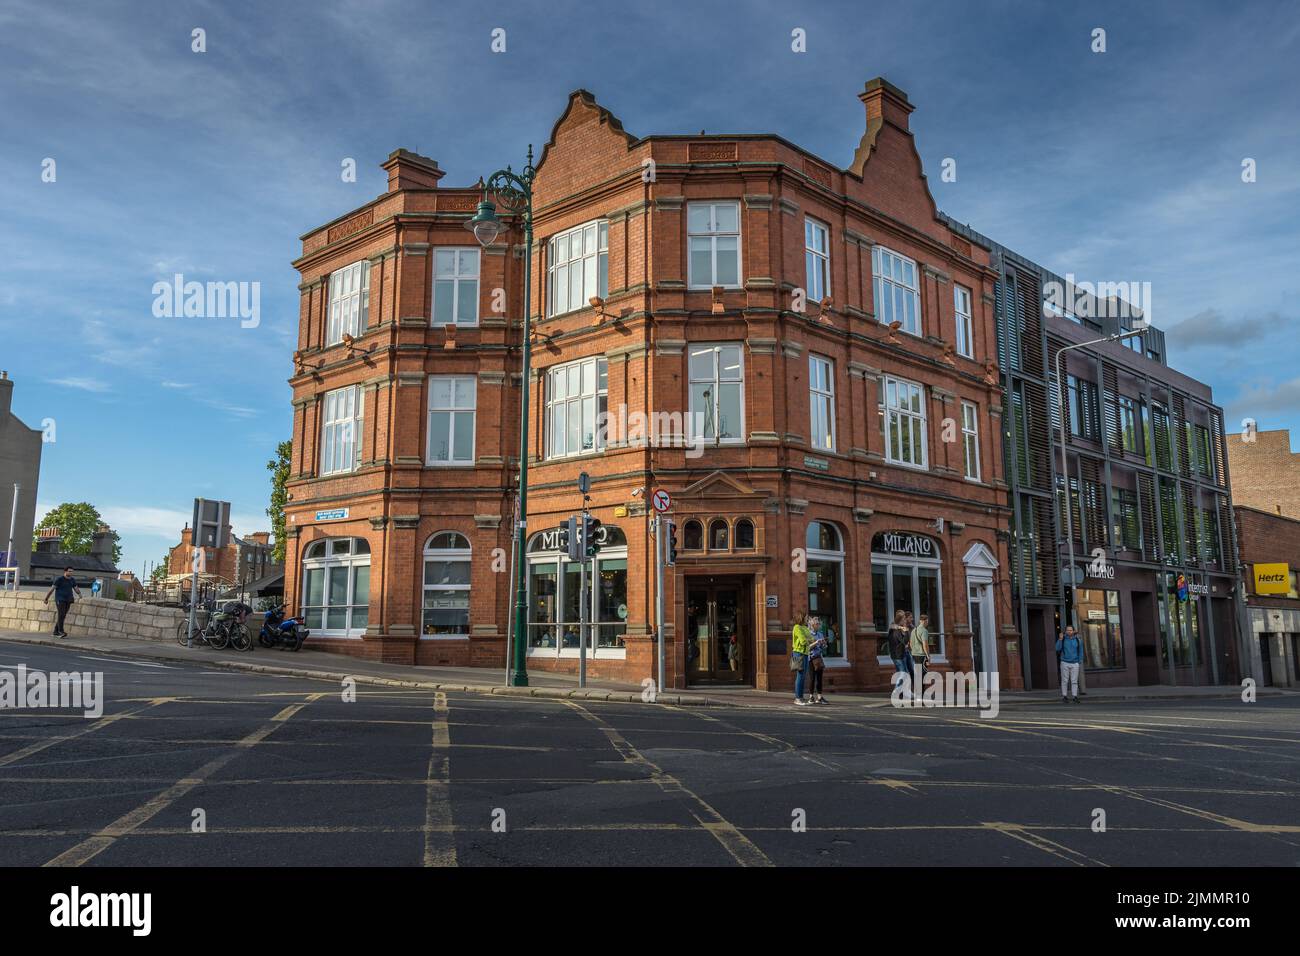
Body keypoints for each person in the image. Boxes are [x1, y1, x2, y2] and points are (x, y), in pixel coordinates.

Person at [43, 567, 81, 638]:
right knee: (61, 615)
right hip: (60, 600)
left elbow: (76, 588)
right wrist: (46, 598)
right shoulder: (59, 579)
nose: (71, 573)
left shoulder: (72, 580)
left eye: (72, 572)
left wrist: (80, 595)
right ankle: (61, 631)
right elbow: (52, 589)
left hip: (69, 600)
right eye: (69, 571)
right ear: (65, 571)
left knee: (63, 615)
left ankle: (55, 632)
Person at [1056, 625, 1084, 703]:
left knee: (1074, 681)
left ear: (1073, 631)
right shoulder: (1063, 639)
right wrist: (1060, 639)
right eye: (1068, 630)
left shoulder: (1078, 640)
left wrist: (1079, 661)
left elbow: (1081, 651)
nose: (1069, 631)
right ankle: (1064, 696)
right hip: (1064, 662)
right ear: (1065, 631)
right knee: (1065, 680)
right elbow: (1057, 648)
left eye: (1071, 630)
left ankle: (1074, 696)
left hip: (1075, 663)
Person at [887, 610, 911, 698]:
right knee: (902, 673)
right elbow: (900, 641)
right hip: (896, 655)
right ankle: (896, 690)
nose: (906, 620)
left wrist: (905, 631)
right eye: (904, 618)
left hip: (902, 654)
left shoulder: (902, 628)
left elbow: (906, 641)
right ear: (900, 619)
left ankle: (905, 691)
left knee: (905, 673)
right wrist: (902, 629)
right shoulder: (893, 628)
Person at [791, 612, 813, 706]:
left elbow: (811, 639)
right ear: (801, 618)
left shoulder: (805, 628)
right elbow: (803, 641)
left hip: (805, 653)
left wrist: (810, 640)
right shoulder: (797, 627)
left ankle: (801, 697)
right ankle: (797, 698)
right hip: (798, 653)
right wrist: (809, 640)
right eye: (806, 618)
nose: (807, 619)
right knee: (800, 676)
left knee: (803, 676)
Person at [807, 615, 828, 704]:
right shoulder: (808, 634)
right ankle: (811, 696)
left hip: (819, 658)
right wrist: (816, 642)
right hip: (811, 658)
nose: (819, 625)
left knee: (819, 678)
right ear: (812, 625)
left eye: (819, 624)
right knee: (812, 678)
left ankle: (819, 696)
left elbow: (823, 647)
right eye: (817, 624)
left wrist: (824, 644)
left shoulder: (820, 633)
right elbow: (807, 647)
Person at [909, 613, 931, 688]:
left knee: (917, 675)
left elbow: (911, 643)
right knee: (923, 675)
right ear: (924, 621)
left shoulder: (913, 630)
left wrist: (914, 650)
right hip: (922, 656)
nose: (927, 623)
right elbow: (925, 644)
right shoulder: (924, 631)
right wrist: (928, 655)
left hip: (914, 655)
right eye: (927, 621)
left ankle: (917, 694)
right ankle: (921, 694)